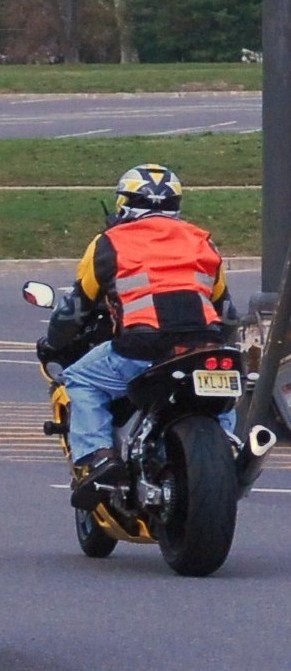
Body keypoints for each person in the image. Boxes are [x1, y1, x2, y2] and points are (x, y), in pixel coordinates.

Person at [42, 164, 233, 509]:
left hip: (143, 348)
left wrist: (53, 343)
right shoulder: (203, 241)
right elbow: (227, 311)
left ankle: (99, 457)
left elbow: (74, 310)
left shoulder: (108, 244)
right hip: (205, 344)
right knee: (221, 383)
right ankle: (229, 446)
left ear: (124, 203)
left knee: (78, 381)